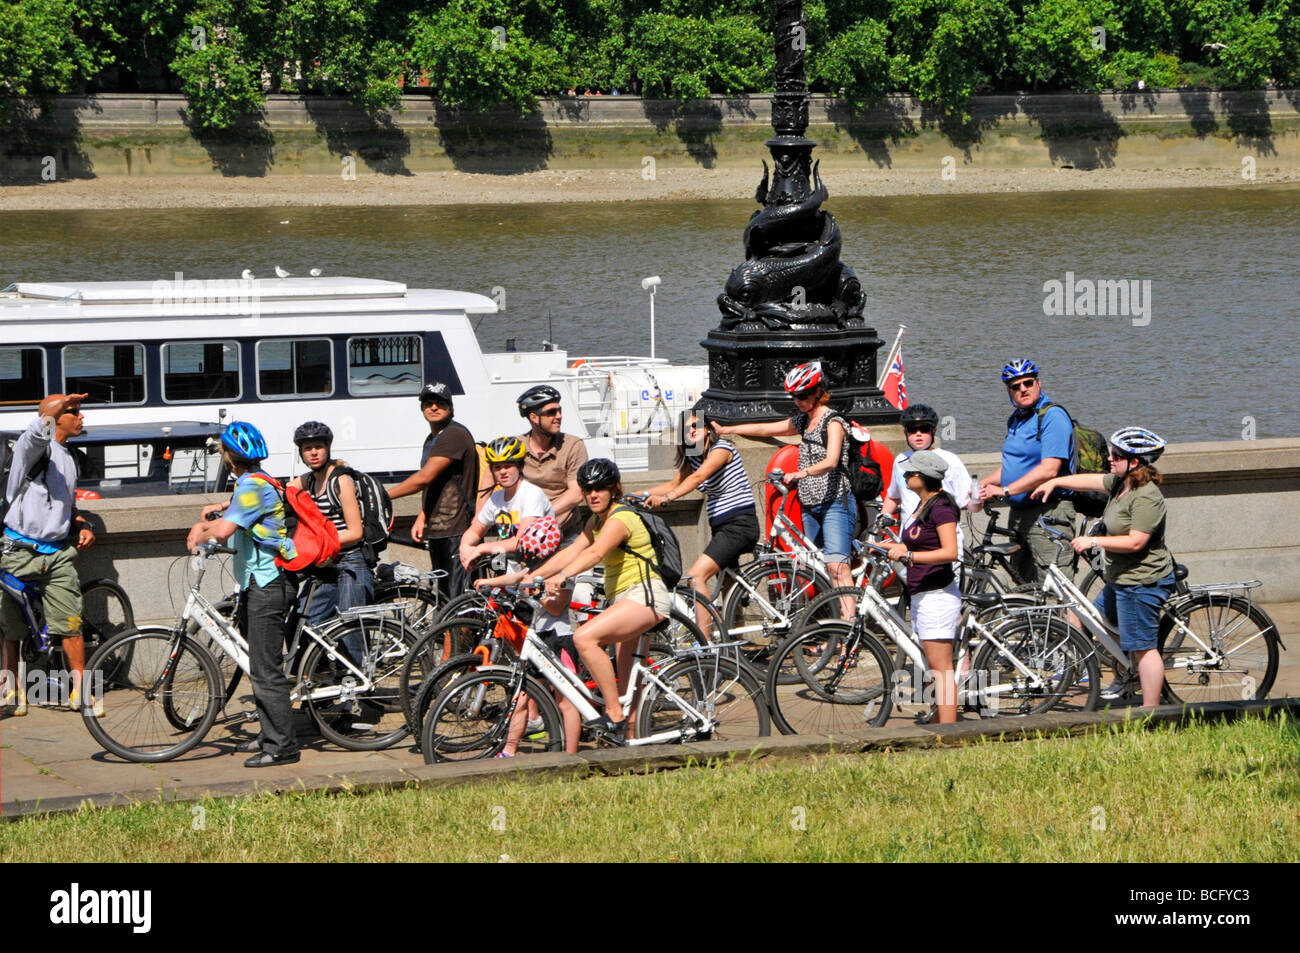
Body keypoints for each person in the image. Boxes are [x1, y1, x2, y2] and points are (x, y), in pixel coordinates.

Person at [1032, 427, 1175, 706]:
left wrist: (1092, 541)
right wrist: (1057, 482)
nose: (1109, 458)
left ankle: (1151, 709)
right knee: (1097, 621)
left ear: (1135, 462)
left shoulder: (1146, 496)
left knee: (1144, 647)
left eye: (1116, 455)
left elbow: (1136, 542)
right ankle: (1126, 674)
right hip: (1119, 577)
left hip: (1142, 581)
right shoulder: (1122, 484)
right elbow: (1092, 480)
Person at [531, 458, 671, 737]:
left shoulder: (621, 517)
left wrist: (562, 577)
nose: (593, 495)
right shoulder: (596, 520)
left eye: (600, 488)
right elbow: (570, 552)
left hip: (645, 597)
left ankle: (613, 714)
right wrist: (532, 576)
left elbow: (594, 554)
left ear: (614, 489)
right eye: (587, 489)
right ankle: (631, 737)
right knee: (626, 683)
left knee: (584, 638)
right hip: (624, 600)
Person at [186, 421, 299, 767]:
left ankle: (282, 746)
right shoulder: (253, 482)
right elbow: (237, 508)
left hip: (268, 584)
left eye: (222, 452)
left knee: (266, 669)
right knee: (258, 665)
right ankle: (268, 735)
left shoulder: (251, 486)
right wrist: (217, 511)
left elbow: (222, 531)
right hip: (257, 583)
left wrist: (199, 529)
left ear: (228, 456)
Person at [466, 435, 580, 755]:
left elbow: (536, 586)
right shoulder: (531, 559)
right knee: (521, 690)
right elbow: (518, 574)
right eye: (497, 467)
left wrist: (497, 575)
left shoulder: (554, 563)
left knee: (564, 697)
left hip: (554, 630)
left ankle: (570, 758)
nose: (502, 472)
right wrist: (482, 571)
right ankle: (510, 751)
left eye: (508, 466)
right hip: (534, 623)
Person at [713, 362, 855, 598]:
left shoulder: (833, 422)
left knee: (837, 567)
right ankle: (834, 624)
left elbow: (831, 460)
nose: (797, 401)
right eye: (794, 396)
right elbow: (766, 429)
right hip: (810, 505)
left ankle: (849, 626)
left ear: (818, 391)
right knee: (820, 569)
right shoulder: (803, 420)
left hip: (836, 502)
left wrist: (801, 473)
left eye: (802, 395)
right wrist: (727, 429)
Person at [1, 392, 96, 715]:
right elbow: (41, 422)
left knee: (71, 623)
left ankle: (81, 692)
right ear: (57, 418)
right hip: (18, 553)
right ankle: (13, 692)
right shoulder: (31, 448)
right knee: (10, 629)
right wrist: (59, 403)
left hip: (57, 554)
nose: (81, 417)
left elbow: (65, 503)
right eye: (75, 412)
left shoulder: (70, 457)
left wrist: (80, 523)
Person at [645, 401, 759, 636]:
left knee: (697, 576)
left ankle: (704, 644)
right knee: (728, 581)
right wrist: (637, 495)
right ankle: (736, 638)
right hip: (722, 527)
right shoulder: (695, 457)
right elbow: (674, 482)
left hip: (739, 524)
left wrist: (669, 498)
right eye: (687, 429)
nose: (692, 431)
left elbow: (698, 478)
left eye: (697, 426)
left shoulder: (722, 449)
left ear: (708, 428)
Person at [978, 359, 1076, 581]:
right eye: (1015, 386)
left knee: (1057, 591)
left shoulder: (1053, 416)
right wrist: (985, 483)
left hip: (1048, 514)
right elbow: (1013, 466)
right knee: (1025, 587)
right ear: (1009, 392)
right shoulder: (1016, 420)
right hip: (1019, 515)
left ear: (1038, 384)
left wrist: (1004, 491)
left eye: (1028, 383)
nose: (1023, 389)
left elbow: (1049, 470)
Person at [885, 451, 961, 724]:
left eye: (910, 472)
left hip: (937, 596)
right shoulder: (922, 504)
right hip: (921, 592)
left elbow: (950, 551)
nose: (905, 475)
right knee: (932, 666)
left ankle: (949, 734)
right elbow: (920, 543)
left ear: (924, 477)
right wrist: (897, 547)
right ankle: (940, 718)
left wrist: (910, 556)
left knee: (942, 669)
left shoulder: (941, 508)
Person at [388, 382, 480, 602]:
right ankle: (448, 636)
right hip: (439, 529)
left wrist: (383, 495)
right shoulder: (433, 439)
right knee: (443, 597)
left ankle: (458, 637)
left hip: (456, 529)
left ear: (451, 406)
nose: (434, 407)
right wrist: (423, 515)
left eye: (441, 402)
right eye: (428, 403)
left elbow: (424, 478)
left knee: (457, 601)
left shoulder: (453, 434)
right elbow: (435, 483)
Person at [288, 421, 372, 627]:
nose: (313, 453)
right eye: (307, 449)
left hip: (351, 562)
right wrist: (228, 504)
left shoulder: (340, 480)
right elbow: (277, 491)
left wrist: (316, 544)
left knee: (349, 631)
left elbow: (355, 532)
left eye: (319, 447)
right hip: (328, 563)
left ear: (328, 449)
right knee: (302, 625)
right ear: (301, 453)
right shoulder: (309, 480)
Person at [883, 402, 972, 557]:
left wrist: (981, 497)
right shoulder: (900, 460)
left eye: (924, 429)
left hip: (941, 541)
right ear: (905, 432)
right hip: (910, 540)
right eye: (912, 430)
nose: (918, 434)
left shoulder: (950, 459)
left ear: (933, 431)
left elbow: (968, 499)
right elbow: (893, 496)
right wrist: (883, 517)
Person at [516, 384, 588, 543]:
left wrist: (540, 516)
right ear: (534, 417)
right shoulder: (516, 446)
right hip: (527, 535)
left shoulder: (573, 445)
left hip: (565, 535)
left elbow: (576, 494)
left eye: (559, 410)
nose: (558, 416)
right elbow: (492, 479)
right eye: (551, 412)